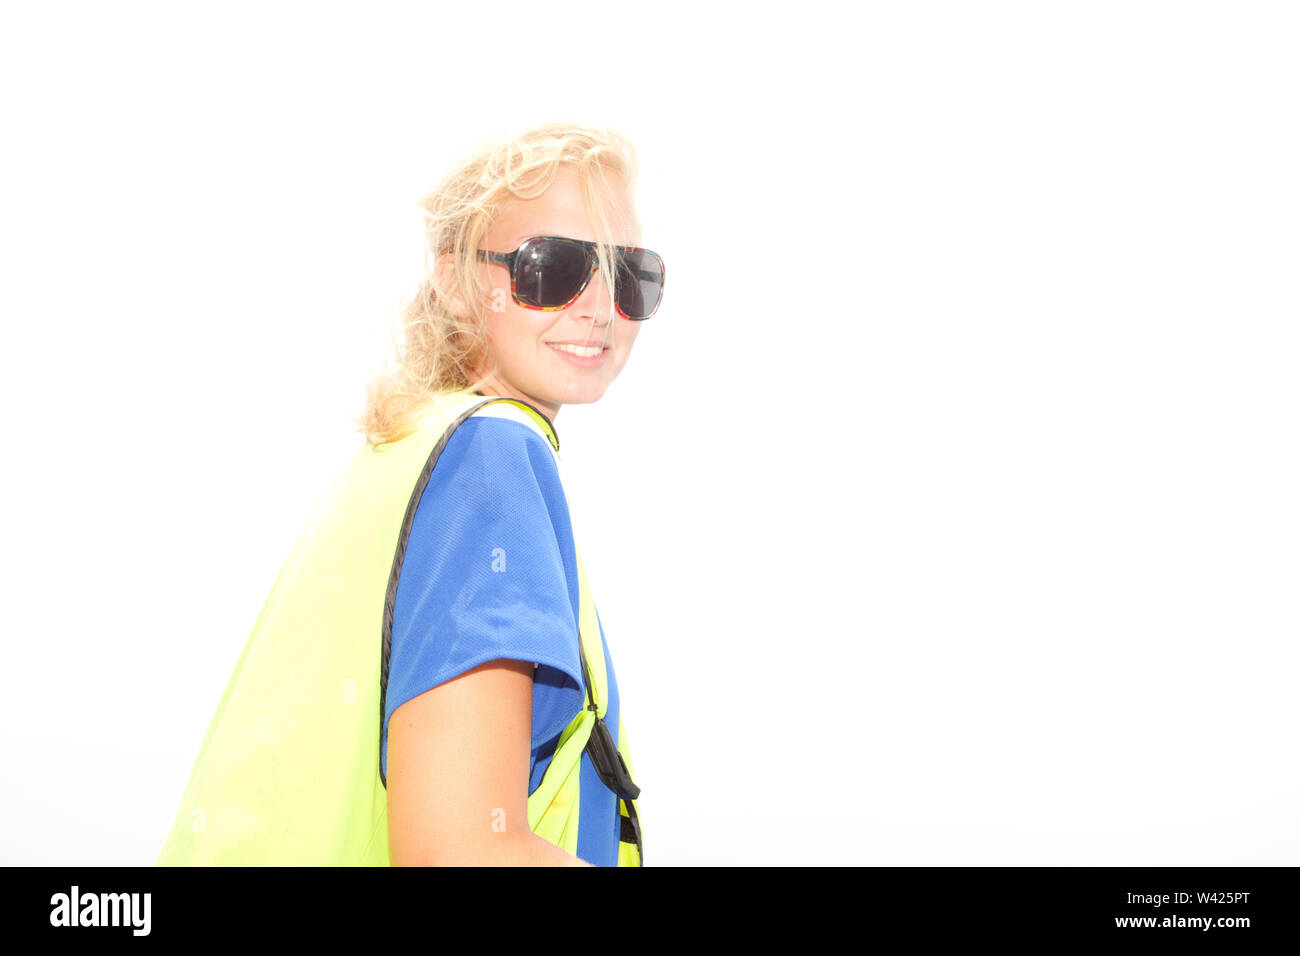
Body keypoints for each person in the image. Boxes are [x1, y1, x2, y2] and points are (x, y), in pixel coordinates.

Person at [155, 122, 662, 867]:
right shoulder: (492, 455)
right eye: (552, 268)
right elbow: (459, 850)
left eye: (629, 276)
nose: (596, 307)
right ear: (456, 285)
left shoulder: (409, 450)